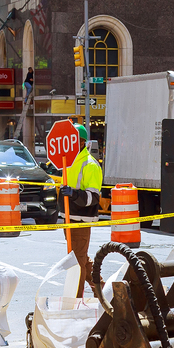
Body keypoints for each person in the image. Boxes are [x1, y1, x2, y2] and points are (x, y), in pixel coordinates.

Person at [59, 124, 103, 296]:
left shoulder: (90, 165)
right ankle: (103, 289)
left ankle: (76, 299)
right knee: (81, 259)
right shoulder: (69, 162)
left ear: (81, 141)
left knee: (77, 262)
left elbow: (94, 198)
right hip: (68, 218)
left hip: (80, 220)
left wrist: (73, 194)